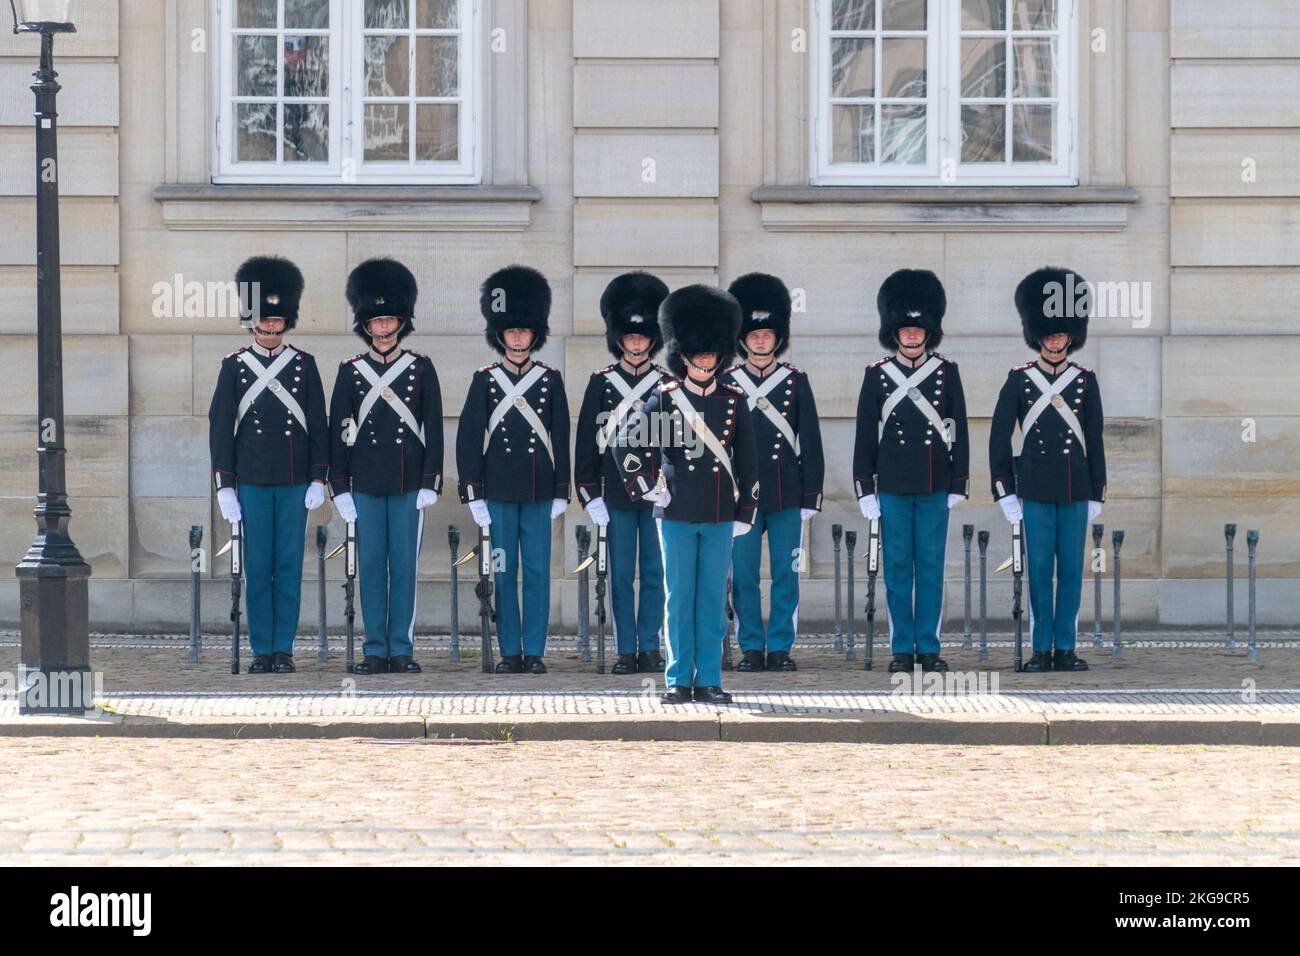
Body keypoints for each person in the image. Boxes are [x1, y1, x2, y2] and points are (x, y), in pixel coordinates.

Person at [616, 285, 759, 705]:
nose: (705, 359)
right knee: (678, 600)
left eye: (711, 353)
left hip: (718, 514)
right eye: (698, 353)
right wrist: (647, 487)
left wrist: (745, 510)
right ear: (684, 353)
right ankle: (678, 679)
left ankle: (710, 679)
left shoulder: (734, 401)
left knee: (713, 602)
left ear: (720, 355)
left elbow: (748, 462)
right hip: (676, 512)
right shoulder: (665, 399)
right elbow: (627, 444)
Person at [208, 255, 328, 674]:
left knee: (288, 565)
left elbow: (318, 424)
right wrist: (225, 484)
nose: (271, 330)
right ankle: (262, 647)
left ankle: (284, 648)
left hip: (295, 481)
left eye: (277, 323)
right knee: (257, 566)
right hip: (254, 481)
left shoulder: (303, 364)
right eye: (264, 324)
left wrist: (318, 477)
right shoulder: (234, 366)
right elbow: (221, 426)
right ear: (252, 323)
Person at [328, 258, 443, 675]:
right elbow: (339, 429)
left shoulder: (419, 367)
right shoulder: (350, 372)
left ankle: (401, 647)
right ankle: (375, 647)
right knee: (371, 567)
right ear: (366, 325)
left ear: (401, 322)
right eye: (375, 321)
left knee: (405, 569)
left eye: (389, 319)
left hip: (409, 483)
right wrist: (339, 487)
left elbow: (434, 425)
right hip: (365, 485)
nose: (382, 328)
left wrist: (431, 480)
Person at [853, 269, 970, 674]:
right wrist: (865, 487)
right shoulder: (877, 375)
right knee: (898, 569)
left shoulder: (946, 372)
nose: (912, 335)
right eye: (905, 329)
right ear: (894, 332)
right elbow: (866, 433)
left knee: (932, 567)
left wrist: (959, 481)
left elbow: (960, 428)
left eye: (919, 329)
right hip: (894, 486)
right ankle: (902, 647)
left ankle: (929, 646)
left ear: (928, 332)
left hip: (935, 483)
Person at [990, 267, 1106, 672]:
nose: (1056, 339)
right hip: (1036, 490)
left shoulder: (1085, 381)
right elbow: (999, 437)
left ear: (1071, 335)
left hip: (1075, 490)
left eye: (1061, 334)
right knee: (1039, 571)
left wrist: (1097, 491)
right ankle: (1041, 648)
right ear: (1037, 335)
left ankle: (1066, 647)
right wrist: (1004, 490)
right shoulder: (1019, 380)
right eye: (1049, 333)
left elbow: (1095, 439)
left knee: (1071, 573)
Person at [456, 265, 569, 674]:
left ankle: (534, 651)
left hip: (539, 492)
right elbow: (468, 438)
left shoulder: (550, 380)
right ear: (500, 334)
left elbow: (561, 437)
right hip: (499, 493)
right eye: (511, 331)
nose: (518, 336)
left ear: (534, 334)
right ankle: (509, 651)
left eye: (524, 331)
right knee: (503, 572)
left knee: (537, 572)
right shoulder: (485, 380)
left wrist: (562, 490)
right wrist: (473, 492)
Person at [721, 273, 824, 672]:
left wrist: (810, 496)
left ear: (778, 338)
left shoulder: (796, 382)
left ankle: (779, 646)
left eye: (767, 335)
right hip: (743, 496)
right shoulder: (728, 383)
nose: (761, 341)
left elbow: (810, 440)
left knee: (786, 576)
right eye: (754, 335)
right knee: (744, 577)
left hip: (785, 493)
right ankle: (751, 646)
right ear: (743, 339)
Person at [573, 272, 672, 675]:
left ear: (652, 340)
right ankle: (625, 648)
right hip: (615, 492)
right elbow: (586, 443)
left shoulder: (667, 384)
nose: (635, 343)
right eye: (629, 337)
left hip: (657, 495)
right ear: (619, 339)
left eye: (642, 337)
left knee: (653, 573)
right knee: (618, 577)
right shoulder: (601, 383)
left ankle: (650, 646)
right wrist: (589, 492)